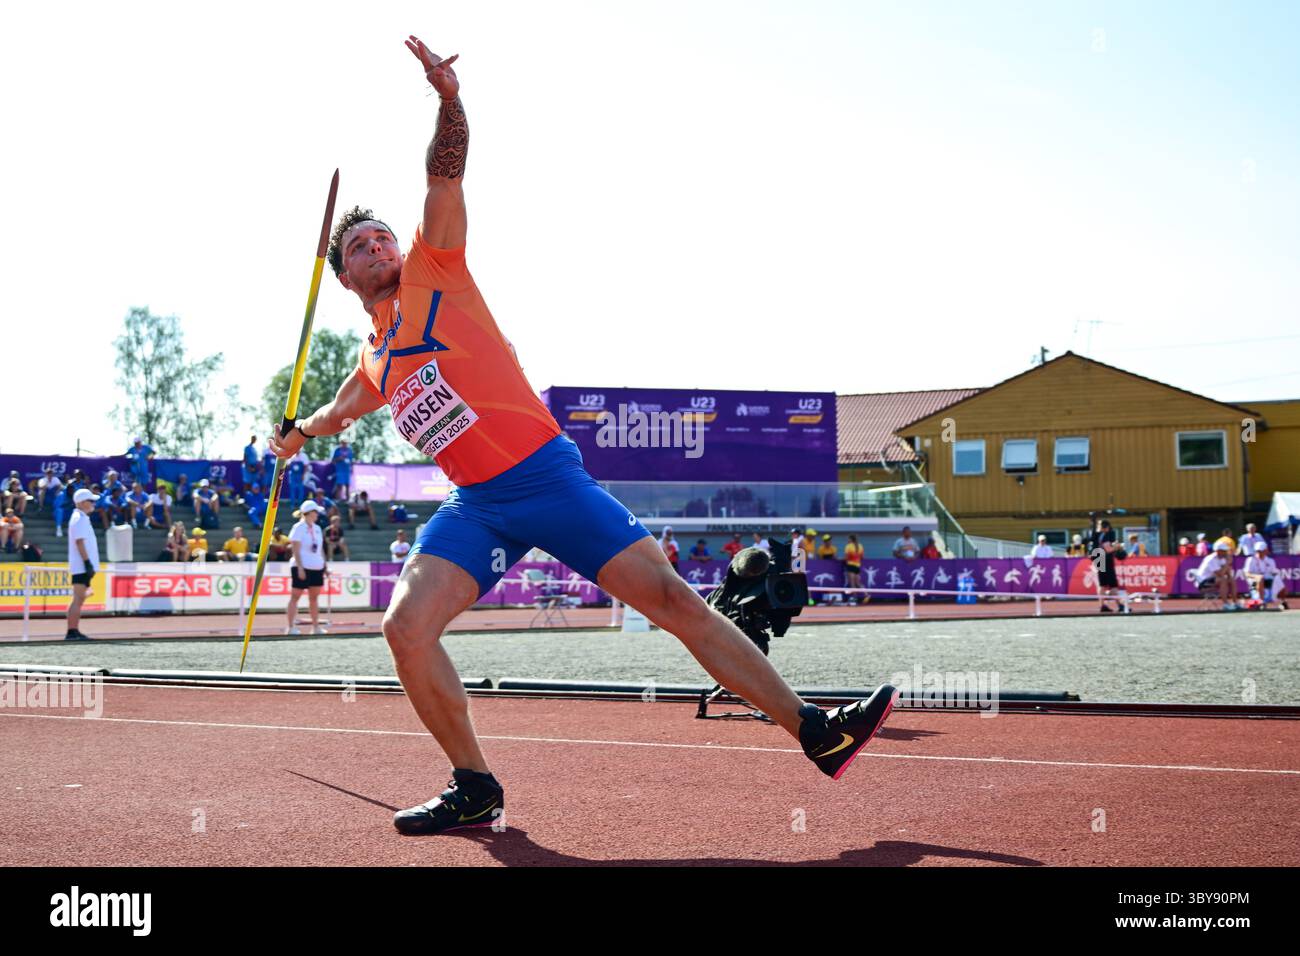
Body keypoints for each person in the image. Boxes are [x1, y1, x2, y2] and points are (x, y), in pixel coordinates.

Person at [266, 34, 894, 836]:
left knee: (674, 601)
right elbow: (340, 408)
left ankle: (818, 730)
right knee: (404, 628)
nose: (378, 245)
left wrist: (449, 104)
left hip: (547, 479)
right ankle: (475, 784)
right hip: (480, 507)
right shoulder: (374, 354)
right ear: (344, 278)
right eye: (359, 246)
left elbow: (444, 174)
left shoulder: (435, 268)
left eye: (380, 235)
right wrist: (297, 436)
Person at [286, 500, 328, 636]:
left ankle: (316, 627)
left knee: (314, 598)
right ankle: (291, 627)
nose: (318, 514)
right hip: (302, 567)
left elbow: (320, 550)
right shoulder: (298, 527)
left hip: (316, 567)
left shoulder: (317, 528)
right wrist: (300, 568)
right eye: (316, 512)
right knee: (295, 597)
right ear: (309, 513)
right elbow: (295, 550)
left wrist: (325, 566)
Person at [65, 489, 99, 641]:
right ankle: (72, 631)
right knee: (78, 599)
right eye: (91, 501)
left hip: (82, 566)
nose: (93, 503)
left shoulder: (81, 517)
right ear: (82, 502)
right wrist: (87, 563)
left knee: (79, 598)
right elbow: (79, 542)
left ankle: (74, 630)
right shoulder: (79, 518)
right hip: (81, 566)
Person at [1089, 518, 1123, 612]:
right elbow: (1108, 548)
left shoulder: (1097, 535)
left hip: (1098, 559)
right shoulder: (1106, 535)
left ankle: (1102, 605)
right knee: (1113, 585)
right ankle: (1119, 605)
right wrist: (1118, 547)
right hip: (1106, 560)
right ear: (1107, 527)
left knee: (1102, 585)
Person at [1194, 543, 1237, 608]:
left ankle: (1235, 603)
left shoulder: (1222, 558)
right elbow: (1220, 574)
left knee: (1232, 580)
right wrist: (1228, 563)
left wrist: (1231, 580)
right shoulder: (1211, 559)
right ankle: (1226, 604)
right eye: (1224, 551)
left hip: (1213, 580)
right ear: (1218, 551)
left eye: (1226, 551)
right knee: (1223, 580)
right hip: (1202, 583)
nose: (1226, 553)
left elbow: (1227, 572)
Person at [1244, 541, 1284, 608]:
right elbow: (1246, 573)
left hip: (1267, 580)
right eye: (1258, 551)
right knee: (1260, 578)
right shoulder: (1250, 560)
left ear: (1266, 551)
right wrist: (1257, 577)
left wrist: (1276, 574)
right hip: (1254, 582)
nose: (1259, 552)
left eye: (1261, 551)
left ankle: (1282, 602)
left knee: (1278, 579)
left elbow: (1274, 572)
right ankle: (1261, 602)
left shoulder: (1270, 560)